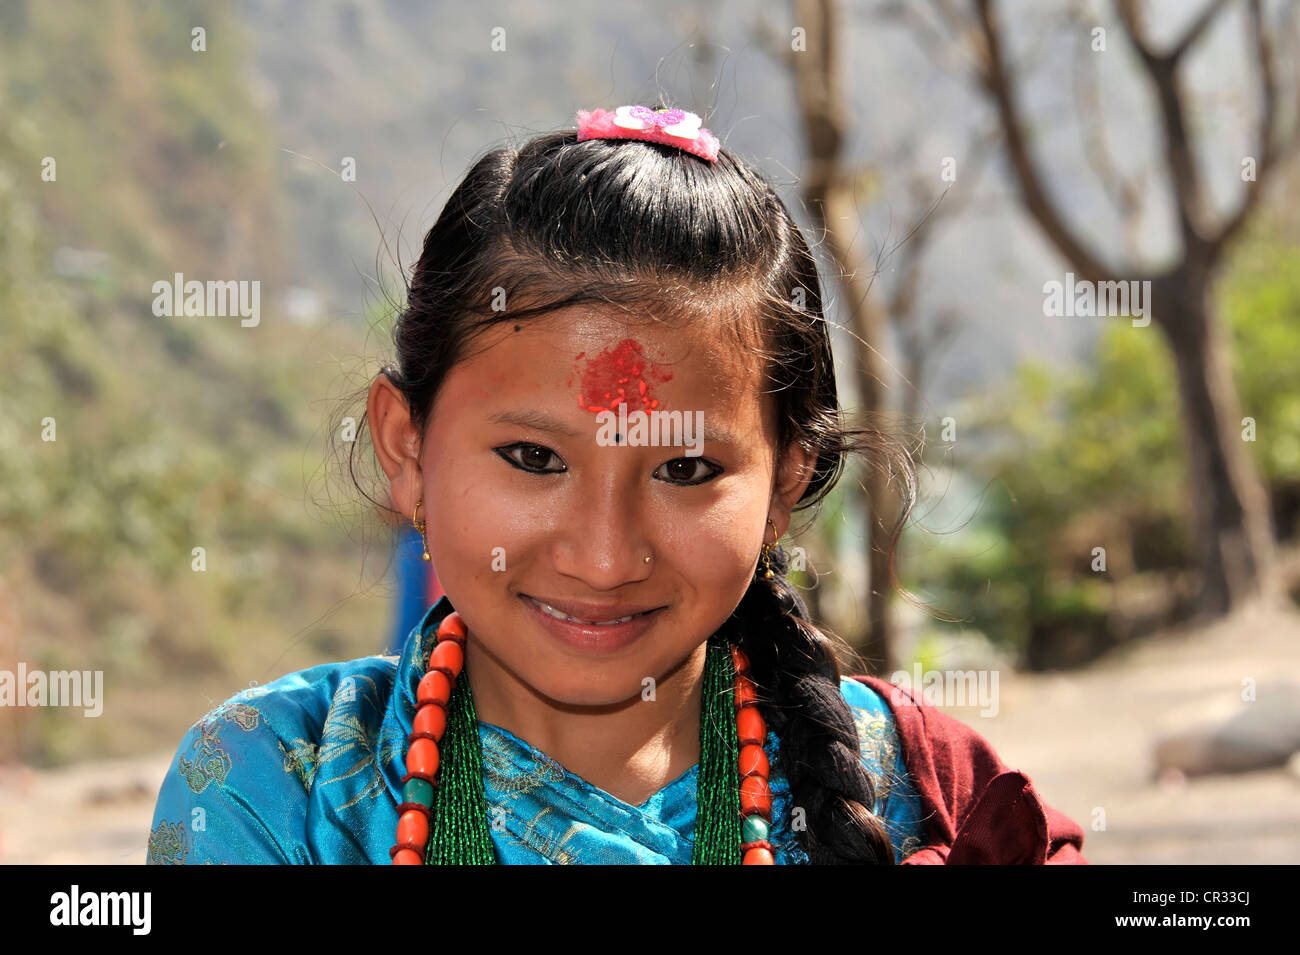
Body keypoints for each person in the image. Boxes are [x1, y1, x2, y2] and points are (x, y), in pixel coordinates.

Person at [146, 104, 1085, 865]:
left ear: (786, 481)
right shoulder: (273, 787)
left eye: (685, 470)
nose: (603, 555)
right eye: (533, 458)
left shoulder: (927, 794)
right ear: (407, 448)